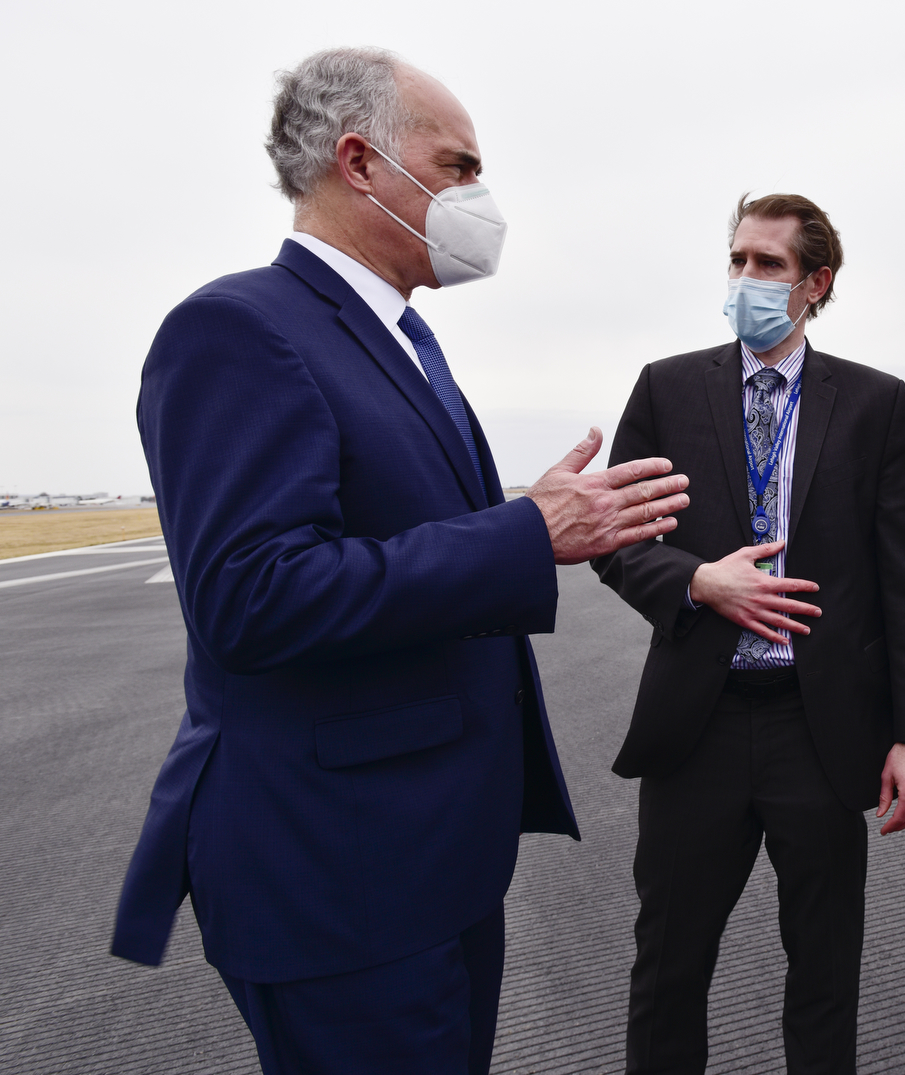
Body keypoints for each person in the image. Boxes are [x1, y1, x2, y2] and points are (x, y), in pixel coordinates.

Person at [109, 47, 689, 1075]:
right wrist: (525, 533)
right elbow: (251, 596)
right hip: (339, 879)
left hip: (428, 862)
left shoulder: (403, 339)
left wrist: (517, 517)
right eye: (458, 165)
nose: (481, 196)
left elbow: (389, 537)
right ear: (362, 162)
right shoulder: (238, 329)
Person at [591, 193, 905, 1075]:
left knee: (825, 975)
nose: (746, 278)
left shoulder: (873, 403)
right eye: (738, 260)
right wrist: (696, 580)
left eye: (769, 265)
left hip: (817, 728)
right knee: (669, 970)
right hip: (697, 724)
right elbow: (617, 541)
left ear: (815, 283)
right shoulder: (667, 388)